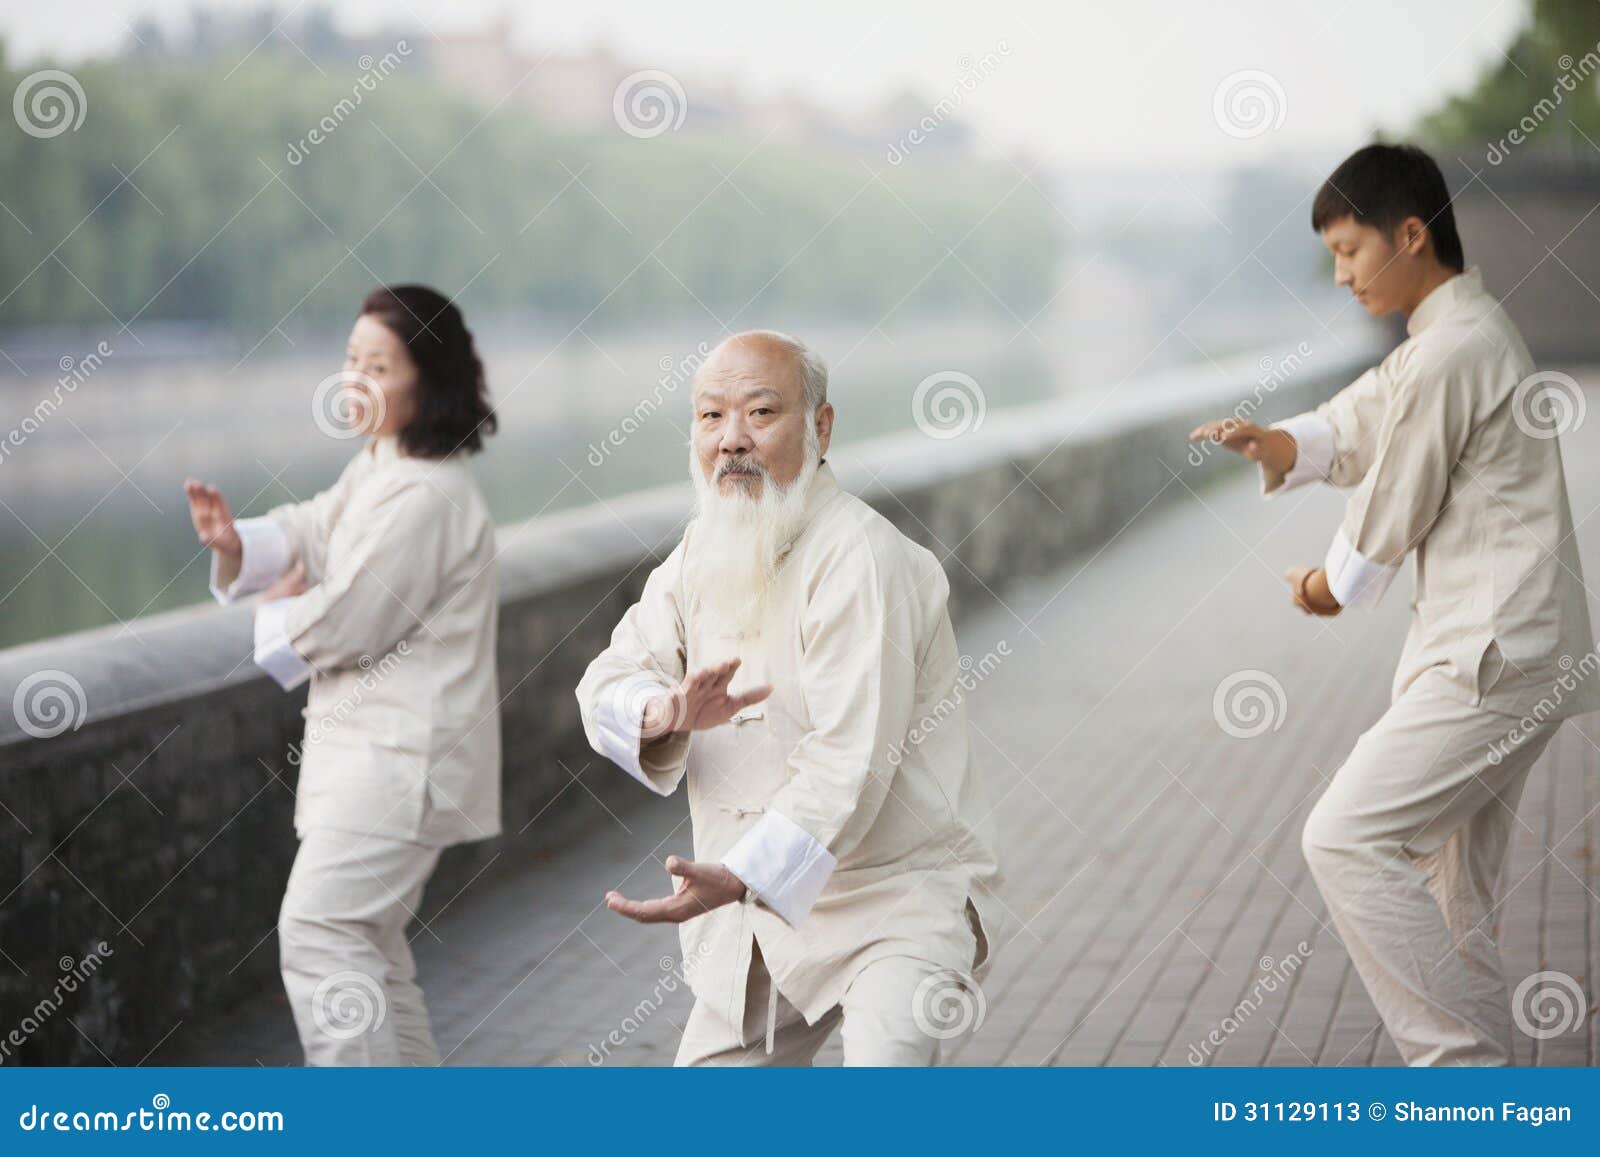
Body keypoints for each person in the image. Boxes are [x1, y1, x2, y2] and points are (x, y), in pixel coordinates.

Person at [1190, 143, 1599, 1065]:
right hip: (1507, 648)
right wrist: (1283, 442)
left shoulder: (1456, 347)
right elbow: (1375, 410)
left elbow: (1398, 489)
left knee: (1344, 836)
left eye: (1350, 250)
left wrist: (1329, 586)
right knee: (1454, 896)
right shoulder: (1453, 336)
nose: (1340, 275)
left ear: (1412, 234)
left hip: (1493, 656)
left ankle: (1455, 1074)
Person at [575, 330, 1004, 1066]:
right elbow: (606, 680)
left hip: (893, 900)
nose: (731, 440)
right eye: (711, 417)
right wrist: (664, 710)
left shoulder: (862, 557)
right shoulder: (697, 554)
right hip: (757, 914)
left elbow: (850, 759)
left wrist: (743, 870)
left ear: (821, 427)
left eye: (761, 413)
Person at [184, 285, 501, 1065]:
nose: (356, 379)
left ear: (428, 378)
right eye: (351, 360)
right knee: (373, 953)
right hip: (383, 758)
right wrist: (239, 541)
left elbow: (352, 618)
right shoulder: (388, 464)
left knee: (322, 935)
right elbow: (315, 526)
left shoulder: (425, 493)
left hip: (398, 760)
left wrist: (277, 615)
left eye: (380, 365)